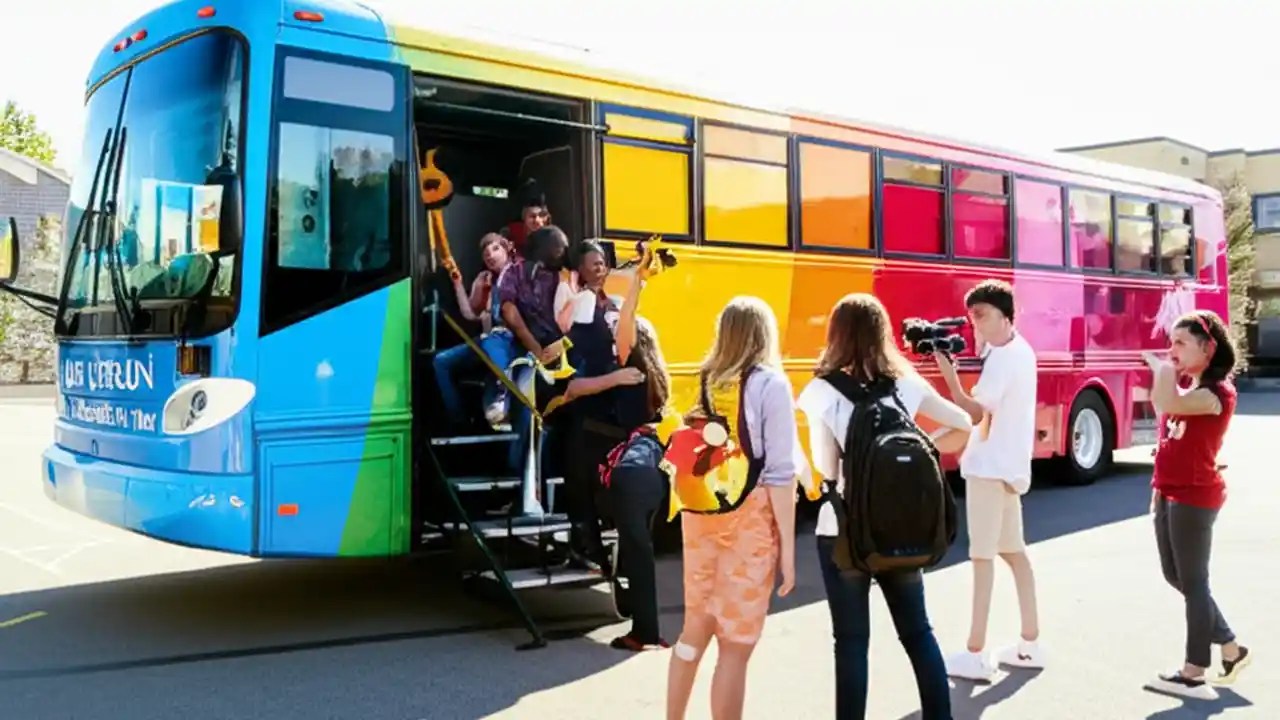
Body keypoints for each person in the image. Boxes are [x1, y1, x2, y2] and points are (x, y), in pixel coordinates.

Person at [797, 292, 972, 719]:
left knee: (851, 642)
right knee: (918, 632)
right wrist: (921, 449)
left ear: (836, 334)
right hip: (901, 524)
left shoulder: (822, 391)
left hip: (843, 531)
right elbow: (964, 424)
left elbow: (826, 468)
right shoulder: (905, 384)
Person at [665, 295, 807, 720]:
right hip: (750, 518)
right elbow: (780, 474)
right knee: (735, 645)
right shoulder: (770, 384)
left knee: (694, 629)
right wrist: (788, 554)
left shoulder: (707, 378)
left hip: (701, 512)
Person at [934, 279, 1046, 681]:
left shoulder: (1003, 357)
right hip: (1009, 468)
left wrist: (948, 375)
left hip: (988, 469)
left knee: (982, 559)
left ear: (1005, 316)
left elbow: (975, 413)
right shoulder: (1021, 351)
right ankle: (1030, 643)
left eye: (981, 315)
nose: (975, 324)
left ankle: (975, 652)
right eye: (972, 316)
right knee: (1014, 553)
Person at [1141, 310, 1250, 699]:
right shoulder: (1192, 387)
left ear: (1208, 349)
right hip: (1168, 490)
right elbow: (1171, 417)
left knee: (1194, 582)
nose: (1172, 350)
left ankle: (1194, 670)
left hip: (1195, 495)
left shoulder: (1216, 394)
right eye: (1170, 342)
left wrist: (1162, 370)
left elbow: (1164, 400)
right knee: (1177, 576)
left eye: (1181, 343)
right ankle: (1231, 647)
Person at [432, 233, 517, 430]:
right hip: (486, 341)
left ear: (507, 249)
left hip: (509, 342)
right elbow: (470, 313)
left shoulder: (516, 275)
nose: (490, 255)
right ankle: (458, 421)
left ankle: (503, 394)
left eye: (495, 249)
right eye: (486, 253)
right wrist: (457, 282)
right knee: (441, 362)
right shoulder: (486, 279)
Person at [500, 179, 551, 257]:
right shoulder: (512, 233)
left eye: (541, 216)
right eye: (532, 216)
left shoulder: (551, 236)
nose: (537, 220)